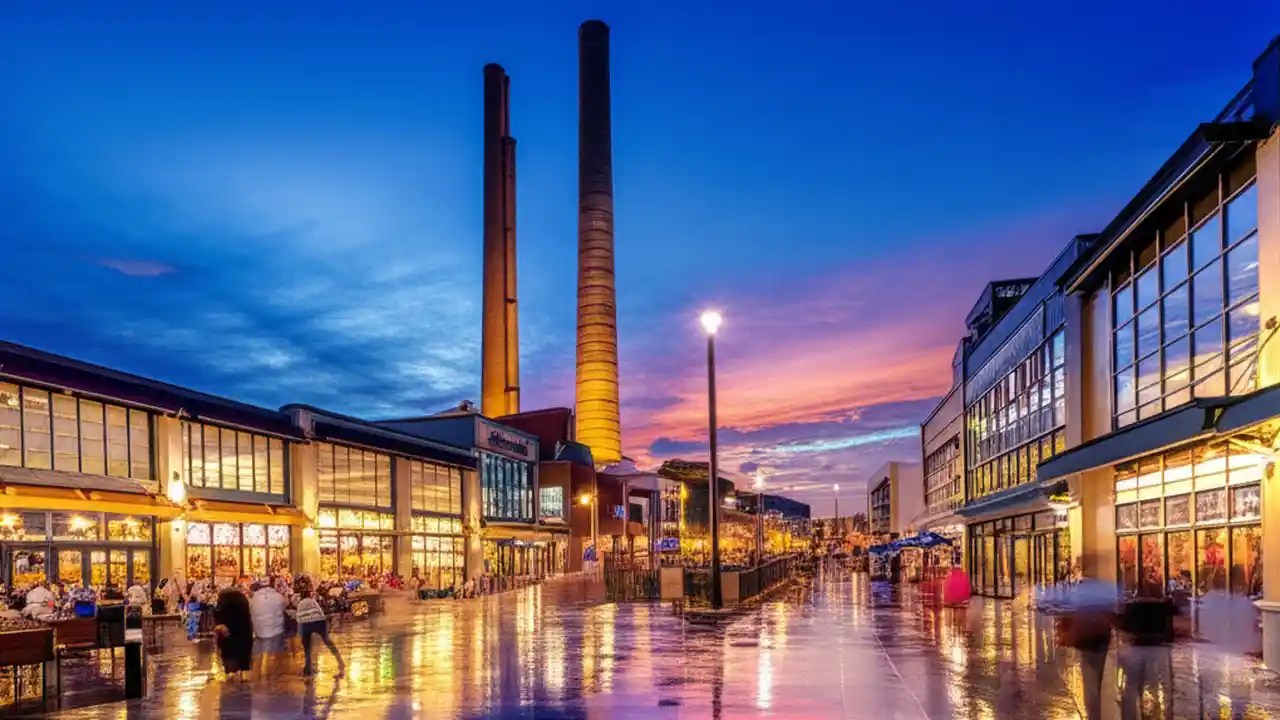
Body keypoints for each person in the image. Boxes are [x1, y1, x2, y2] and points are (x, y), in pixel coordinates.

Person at [296, 584, 345, 678]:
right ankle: (340, 662)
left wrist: (300, 634)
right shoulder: (313, 601)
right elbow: (321, 613)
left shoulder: (300, 604)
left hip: (305, 623)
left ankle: (308, 670)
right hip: (319, 621)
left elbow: (299, 620)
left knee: (307, 647)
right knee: (327, 641)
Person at [249, 580, 289, 676]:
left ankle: (256, 673)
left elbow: (250, 610)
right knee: (277, 651)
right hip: (276, 628)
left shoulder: (254, 598)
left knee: (259, 651)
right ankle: (275, 673)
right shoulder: (277, 596)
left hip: (259, 629)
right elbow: (286, 603)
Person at [213, 586, 253, 680]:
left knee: (231, 671)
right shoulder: (242, 604)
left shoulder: (222, 609)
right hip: (243, 639)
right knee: (243, 670)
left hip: (228, 643)